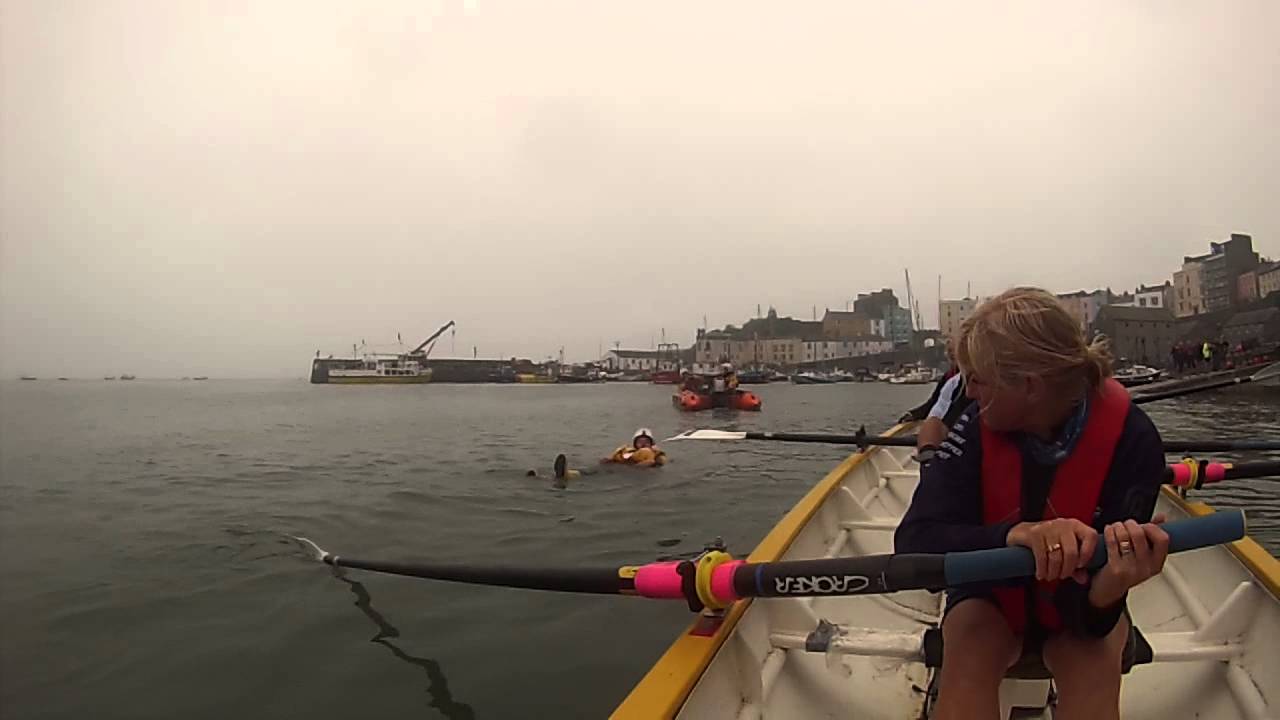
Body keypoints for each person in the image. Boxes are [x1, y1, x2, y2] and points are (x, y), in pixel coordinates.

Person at [894, 287, 1169, 720]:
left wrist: (1115, 583)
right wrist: (1013, 536)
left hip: (1085, 601)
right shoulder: (972, 429)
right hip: (989, 600)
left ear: (1029, 385)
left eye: (980, 377)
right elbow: (914, 542)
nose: (969, 388)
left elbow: (1093, 612)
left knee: (1094, 658)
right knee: (970, 646)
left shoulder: (1134, 441)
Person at [603, 428, 668, 467]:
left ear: (652, 444)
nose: (643, 444)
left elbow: (658, 462)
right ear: (635, 443)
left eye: (647, 442)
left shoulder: (656, 455)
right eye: (640, 442)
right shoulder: (628, 452)